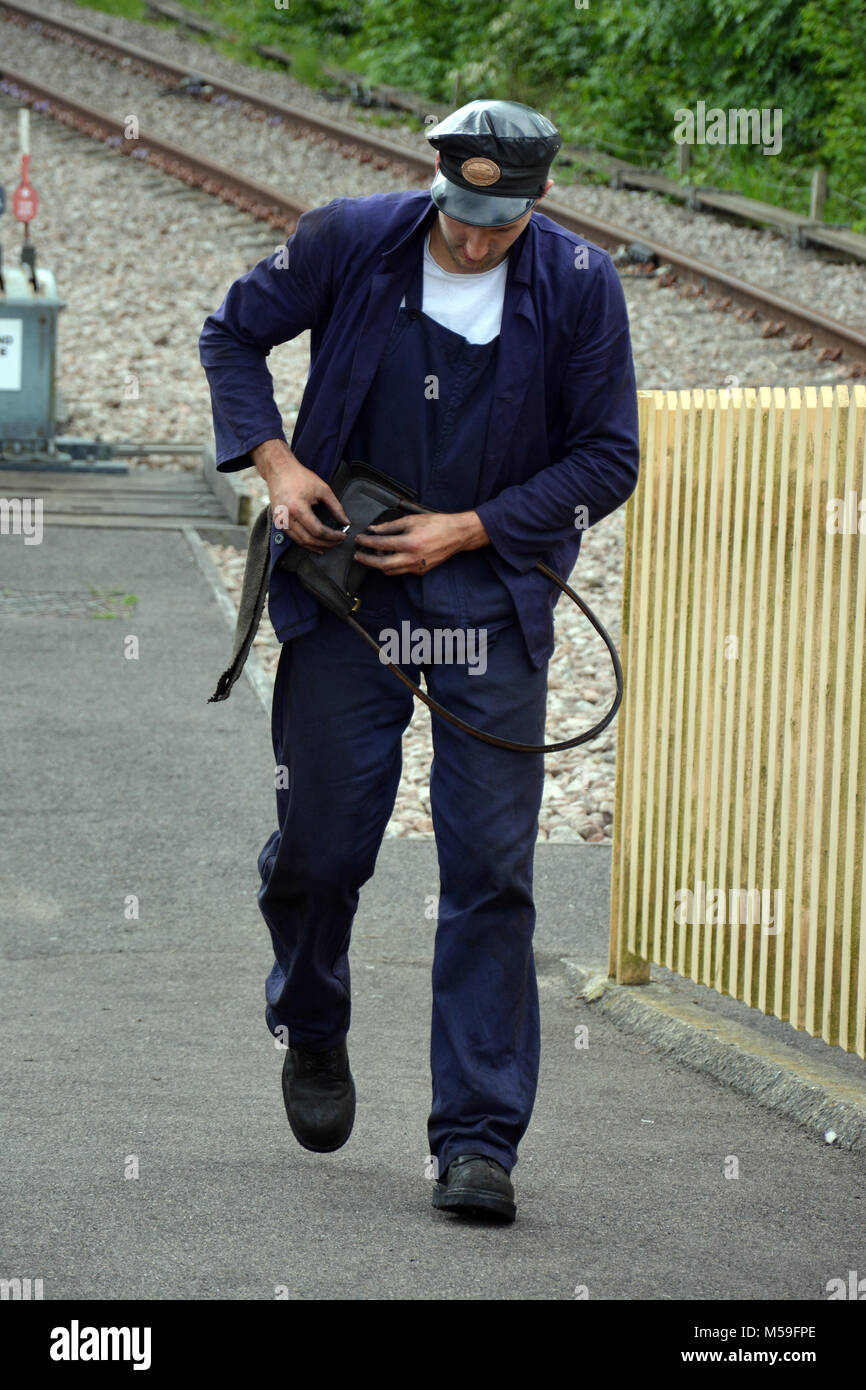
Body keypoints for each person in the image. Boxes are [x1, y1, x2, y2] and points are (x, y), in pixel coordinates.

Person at [199, 98, 639, 1224]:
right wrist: (276, 463)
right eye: (460, 212)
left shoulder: (580, 285)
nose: (476, 239)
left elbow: (607, 457)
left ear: (537, 200)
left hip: (488, 603)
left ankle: (478, 1139)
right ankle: (312, 1014)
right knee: (319, 848)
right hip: (346, 595)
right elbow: (231, 331)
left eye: (501, 220)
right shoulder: (350, 236)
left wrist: (474, 525)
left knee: (490, 872)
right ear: (434, 180)